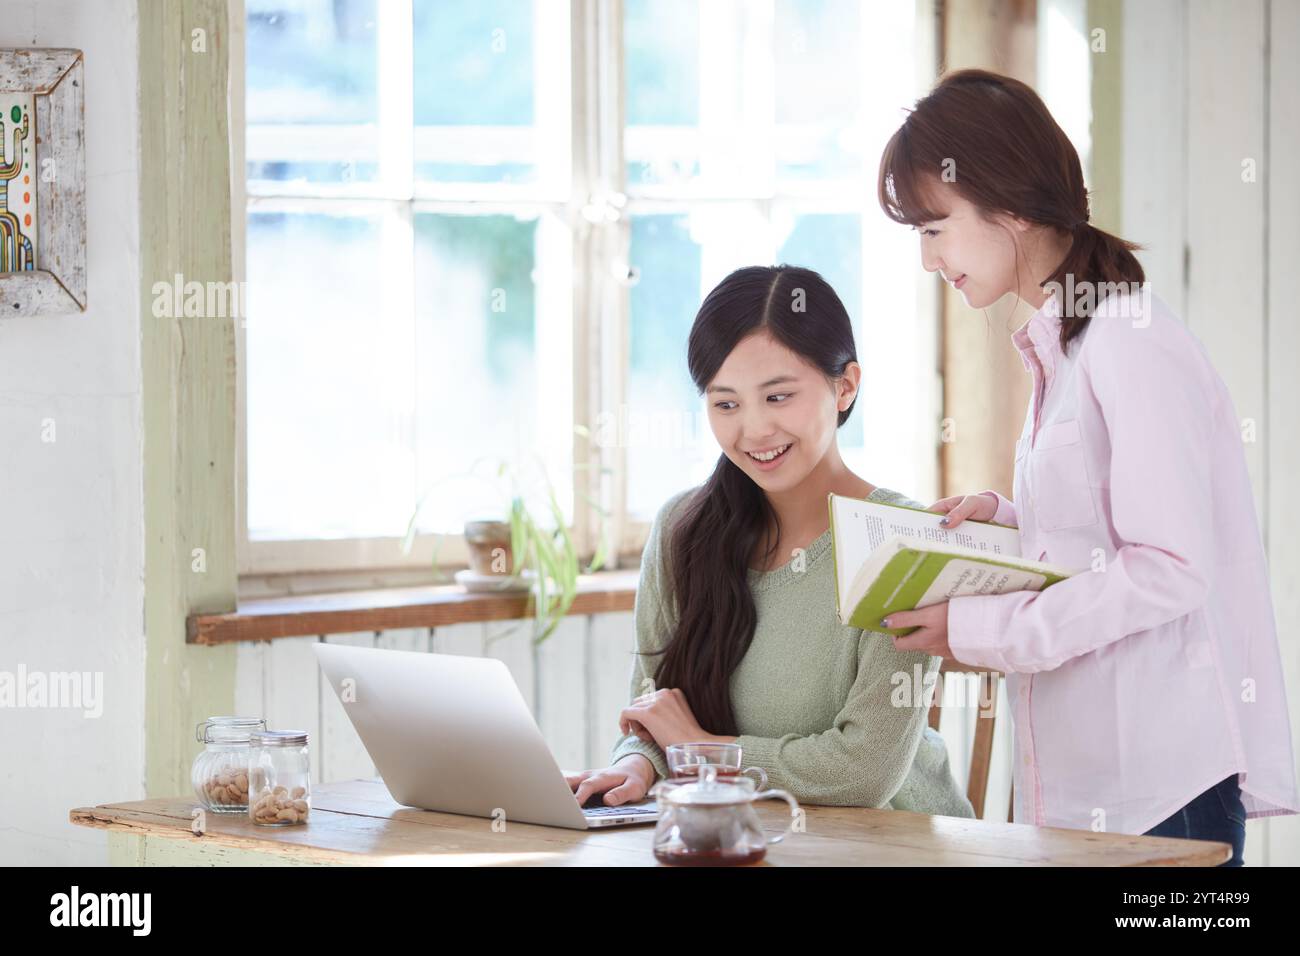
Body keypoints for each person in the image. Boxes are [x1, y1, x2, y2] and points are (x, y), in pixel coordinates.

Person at [875, 68, 1299, 865]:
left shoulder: (1128, 340)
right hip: (1094, 785)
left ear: (1009, 205)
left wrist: (985, 631)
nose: (929, 260)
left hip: (1160, 791)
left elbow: (1170, 568)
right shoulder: (1067, 348)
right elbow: (1104, 534)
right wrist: (1009, 521)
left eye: (934, 228)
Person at [566, 264, 972, 819]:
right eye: (726, 404)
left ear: (845, 386)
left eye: (778, 397)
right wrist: (636, 765)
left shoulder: (901, 540)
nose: (754, 430)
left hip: (894, 845)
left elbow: (864, 772)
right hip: (749, 838)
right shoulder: (682, 529)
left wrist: (701, 751)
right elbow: (654, 710)